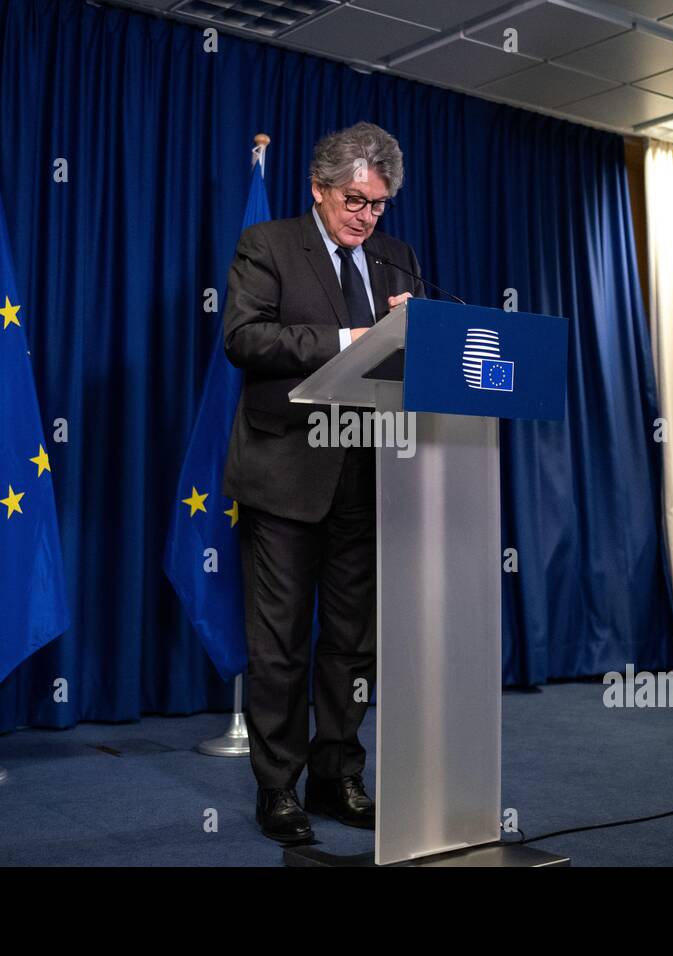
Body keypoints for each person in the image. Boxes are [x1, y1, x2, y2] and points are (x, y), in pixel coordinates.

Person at [222, 121, 423, 843]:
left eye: (379, 203)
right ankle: (278, 788)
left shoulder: (398, 261)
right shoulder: (269, 244)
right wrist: (351, 340)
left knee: (352, 644)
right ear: (318, 188)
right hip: (284, 475)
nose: (368, 215)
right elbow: (245, 339)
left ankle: (337, 776)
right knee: (277, 645)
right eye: (356, 199)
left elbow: (413, 368)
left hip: (371, 476)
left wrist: (421, 334)